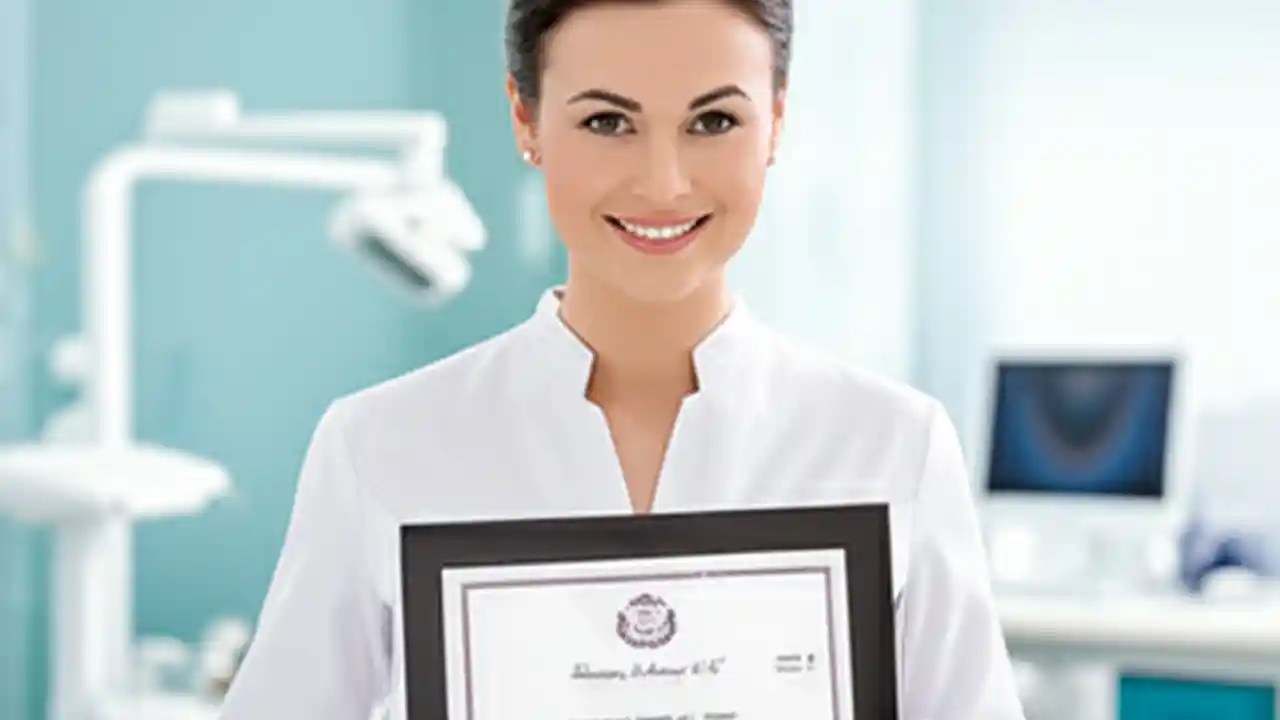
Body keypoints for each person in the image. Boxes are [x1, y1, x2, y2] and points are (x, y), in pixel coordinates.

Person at [219, 0, 1026, 717]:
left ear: (776, 123)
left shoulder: (893, 442)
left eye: (713, 122)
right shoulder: (379, 444)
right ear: (526, 120)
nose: (663, 181)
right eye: (608, 122)